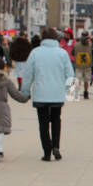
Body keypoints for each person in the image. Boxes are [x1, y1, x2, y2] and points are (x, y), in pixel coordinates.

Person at [21, 27, 74, 161]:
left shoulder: (35, 53)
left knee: (43, 123)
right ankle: (56, 146)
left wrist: (25, 91)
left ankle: (47, 151)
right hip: (57, 93)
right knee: (56, 119)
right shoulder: (62, 53)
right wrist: (71, 93)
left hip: (41, 93)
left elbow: (27, 75)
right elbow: (70, 74)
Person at [72, 34, 93, 99]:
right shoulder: (90, 45)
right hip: (87, 64)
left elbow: (72, 53)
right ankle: (86, 92)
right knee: (86, 80)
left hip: (78, 64)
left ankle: (76, 93)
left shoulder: (76, 45)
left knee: (78, 80)